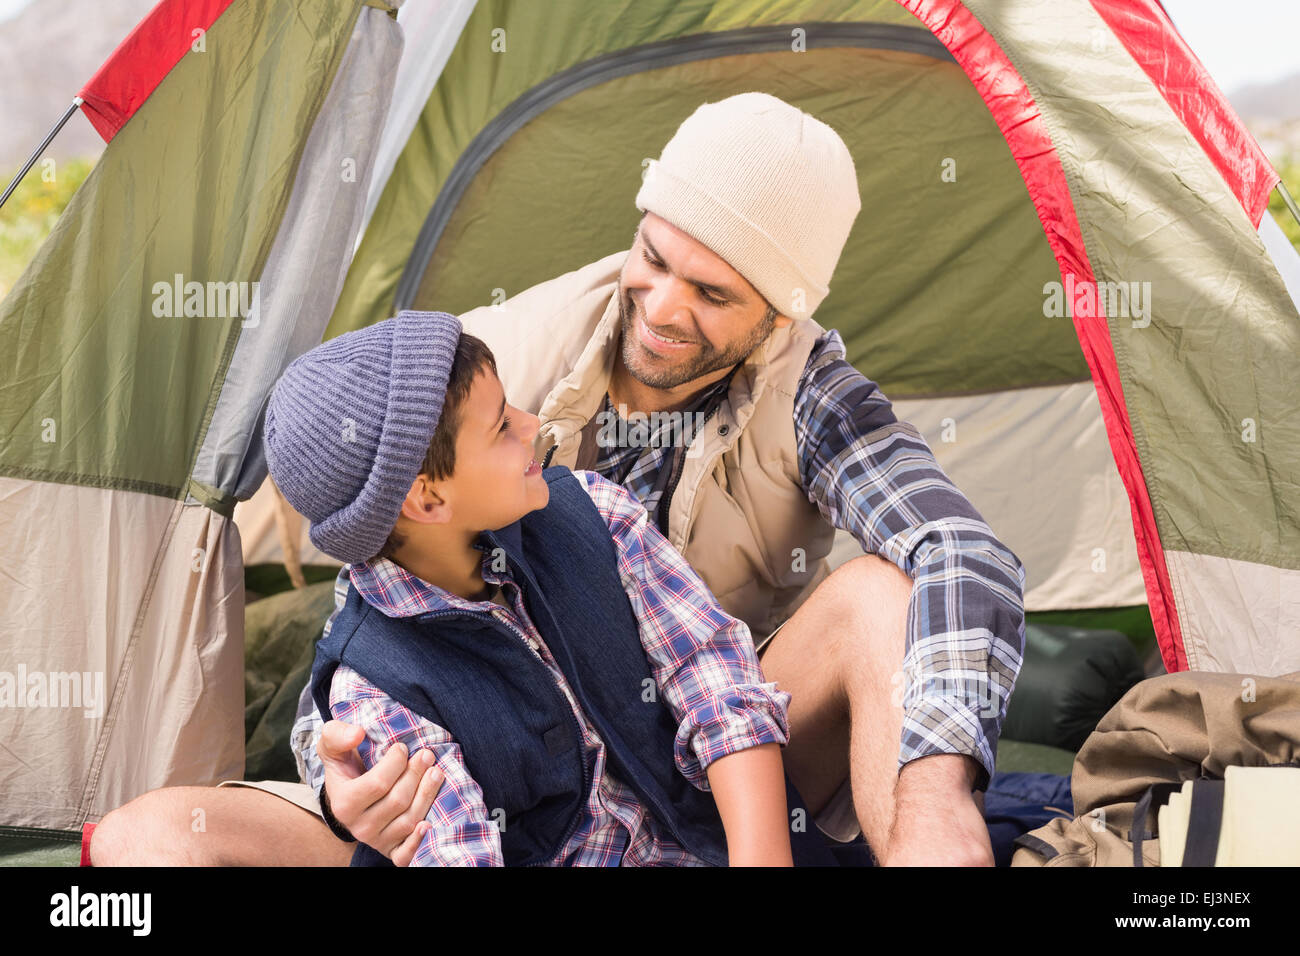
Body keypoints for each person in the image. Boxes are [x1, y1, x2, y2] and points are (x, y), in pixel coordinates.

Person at [90, 92, 1025, 867]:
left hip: (708, 774)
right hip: (494, 793)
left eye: (712, 294)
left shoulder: (809, 396)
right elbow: (381, 597)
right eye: (653, 260)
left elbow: (957, 553)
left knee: (880, 598)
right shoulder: (490, 364)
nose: (659, 311)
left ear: (779, 313)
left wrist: (935, 783)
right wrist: (339, 780)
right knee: (153, 841)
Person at [270, 313, 816, 865]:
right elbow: (456, 851)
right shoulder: (376, 688)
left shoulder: (595, 511)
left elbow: (712, 679)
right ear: (428, 501)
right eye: (501, 426)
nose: (532, 424)